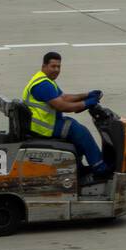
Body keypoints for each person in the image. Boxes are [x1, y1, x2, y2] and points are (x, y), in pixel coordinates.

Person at [20, 52, 110, 181]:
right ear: (44, 66)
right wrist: (87, 103)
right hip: (44, 128)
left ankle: (78, 167)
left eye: (59, 67)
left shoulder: (45, 80)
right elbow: (62, 106)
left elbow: (63, 97)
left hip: (47, 123)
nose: (56, 70)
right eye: (53, 66)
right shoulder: (43, 85)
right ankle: (100, 168)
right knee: (80, 132)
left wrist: (87, 95)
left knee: (76, 131)